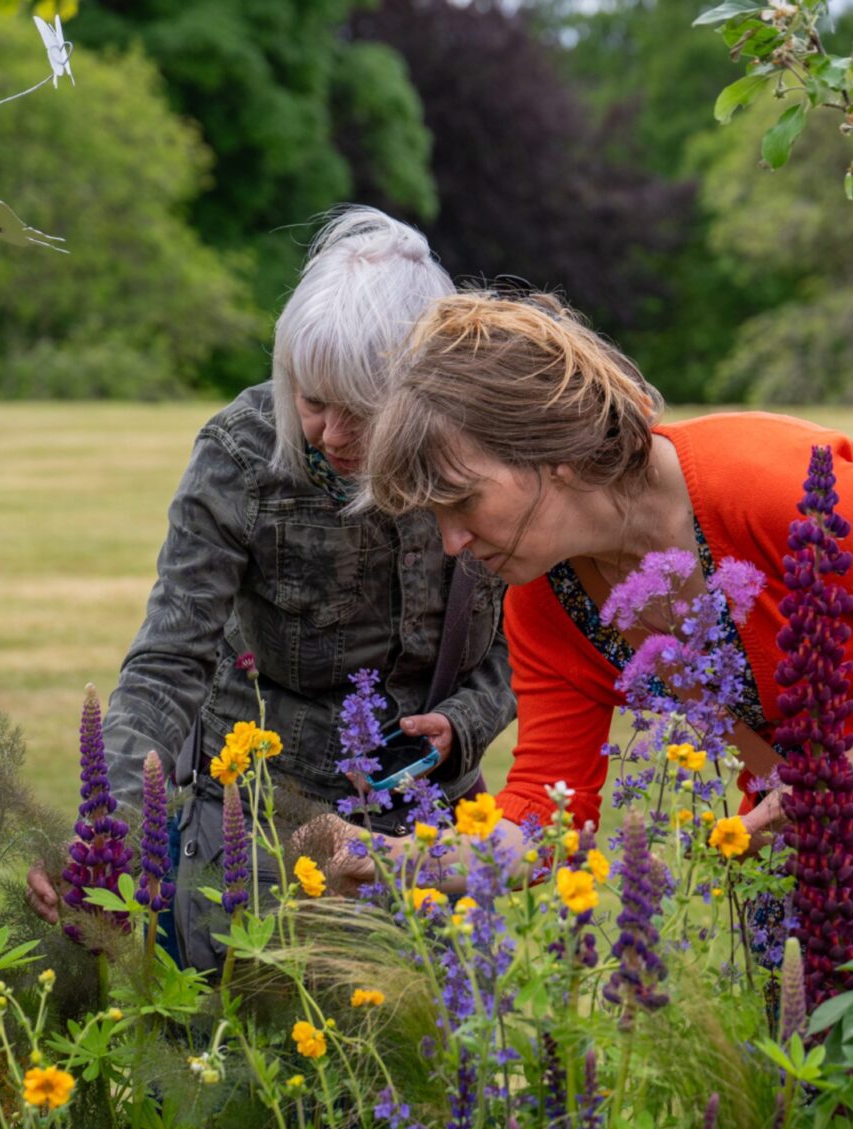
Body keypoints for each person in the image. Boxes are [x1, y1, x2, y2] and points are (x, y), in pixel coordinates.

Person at [355, 292, 853, 951]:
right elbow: (551, 816)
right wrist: (398, 860)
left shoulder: (759, 483)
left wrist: (826, 787)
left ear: (550, 450)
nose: (453, 542)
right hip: (822, 843)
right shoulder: (545, 603)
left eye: (461, 500)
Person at [34, 210, 517, 969]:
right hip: (260, 837)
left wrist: (466, 720)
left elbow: (531, 640)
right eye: (311, 396)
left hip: (431, 834)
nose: (327, 432)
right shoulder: (240, 455)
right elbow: (167, 663)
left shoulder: (484, 452)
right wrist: (109, 830)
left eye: (358, 408)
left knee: (429, 1070)